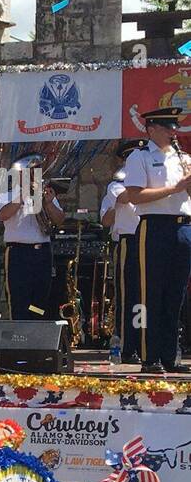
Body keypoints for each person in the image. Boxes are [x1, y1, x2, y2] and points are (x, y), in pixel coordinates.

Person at [119, 107, 191, 373]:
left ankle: (171, 356)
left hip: (183, 227)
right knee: (152, 293)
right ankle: (150, 358)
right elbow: (136, 196)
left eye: (174, 127)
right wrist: (175, 188)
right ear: (151, 130)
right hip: (155, 227)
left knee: (176, 294)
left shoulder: (182, 157)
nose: (173, 131)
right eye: (167, 127)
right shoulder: (140, 157)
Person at [0, 168, 65, 321]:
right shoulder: (8, 195)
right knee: (19, 298)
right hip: (18, 253)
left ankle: (36, 332)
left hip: (42, 253)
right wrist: (22, 196)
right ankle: (20, 337)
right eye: (26, 172)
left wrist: (48, 203)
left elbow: (59, 219)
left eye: (34, 172)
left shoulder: (45, 194)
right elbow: (2, 215)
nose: (30, 176)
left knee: (40, 299)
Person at [100, 139, 143, 363]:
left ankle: (146, 344)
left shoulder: (149, 179)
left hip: (149, 239)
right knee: (129, 295)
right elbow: (120, 203)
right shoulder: (117, 183)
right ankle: (127, 345)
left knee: (147, 297)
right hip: (128, 241)